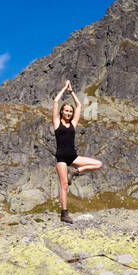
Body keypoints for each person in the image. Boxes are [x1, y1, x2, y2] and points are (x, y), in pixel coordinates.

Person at [51, 80, 103, 223]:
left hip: (73, 157)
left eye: (70, 111)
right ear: (62, 111)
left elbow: (79, 105)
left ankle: (76, 172)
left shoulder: (73, 124)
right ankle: (64, 214)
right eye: (66, 110)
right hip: (61, 158)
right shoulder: (57, 123)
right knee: (64, 185)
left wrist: (72, 91)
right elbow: (56, 102)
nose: (68, 113)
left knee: (98, 164)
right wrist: (64, 89)